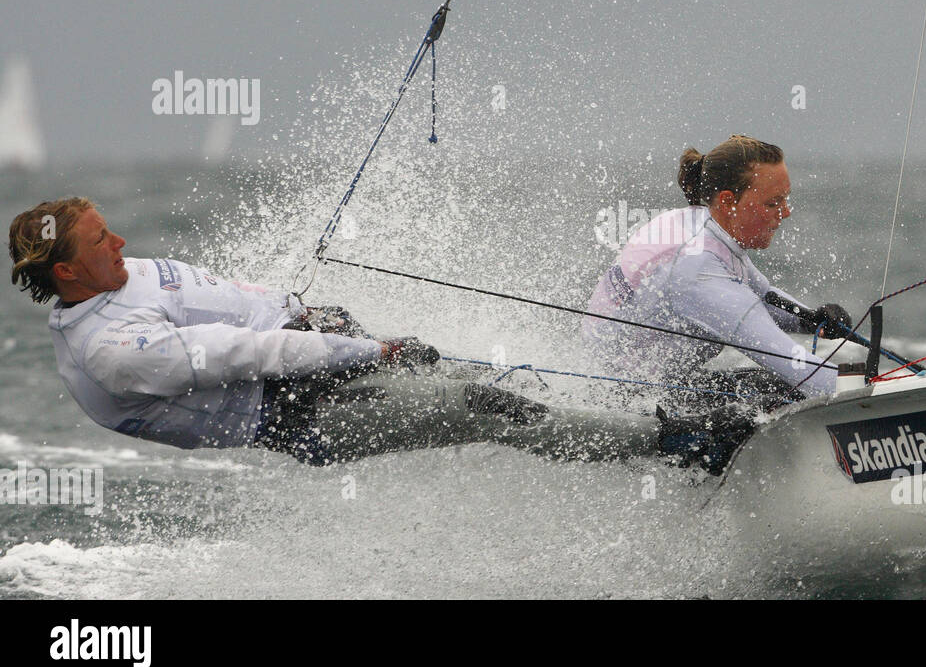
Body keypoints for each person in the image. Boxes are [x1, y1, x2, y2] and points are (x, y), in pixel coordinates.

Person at [8, 197, 561, 466]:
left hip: (323, 352)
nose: (121, 242)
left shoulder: (117, 277)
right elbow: (253, 352)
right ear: (66, 271)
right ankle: (644, 439)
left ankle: (610, 405)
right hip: (304, 409)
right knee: (484, 407)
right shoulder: (112, 351)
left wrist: (319, 318)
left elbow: (235, 302)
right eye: (102, 239)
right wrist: (374, 351)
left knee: (503, 385)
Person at [582, 135, 854, 470]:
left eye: (785, 200)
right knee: (771, 401)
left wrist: (810, 320)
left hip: (660, 384)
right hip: (627, 406)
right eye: (773, 203)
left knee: (774, 390)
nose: (785, 213)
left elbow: (758, 297)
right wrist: (867, 391)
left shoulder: (702, 227)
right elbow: (783, 357)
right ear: (728, 201)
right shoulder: (696, 268)